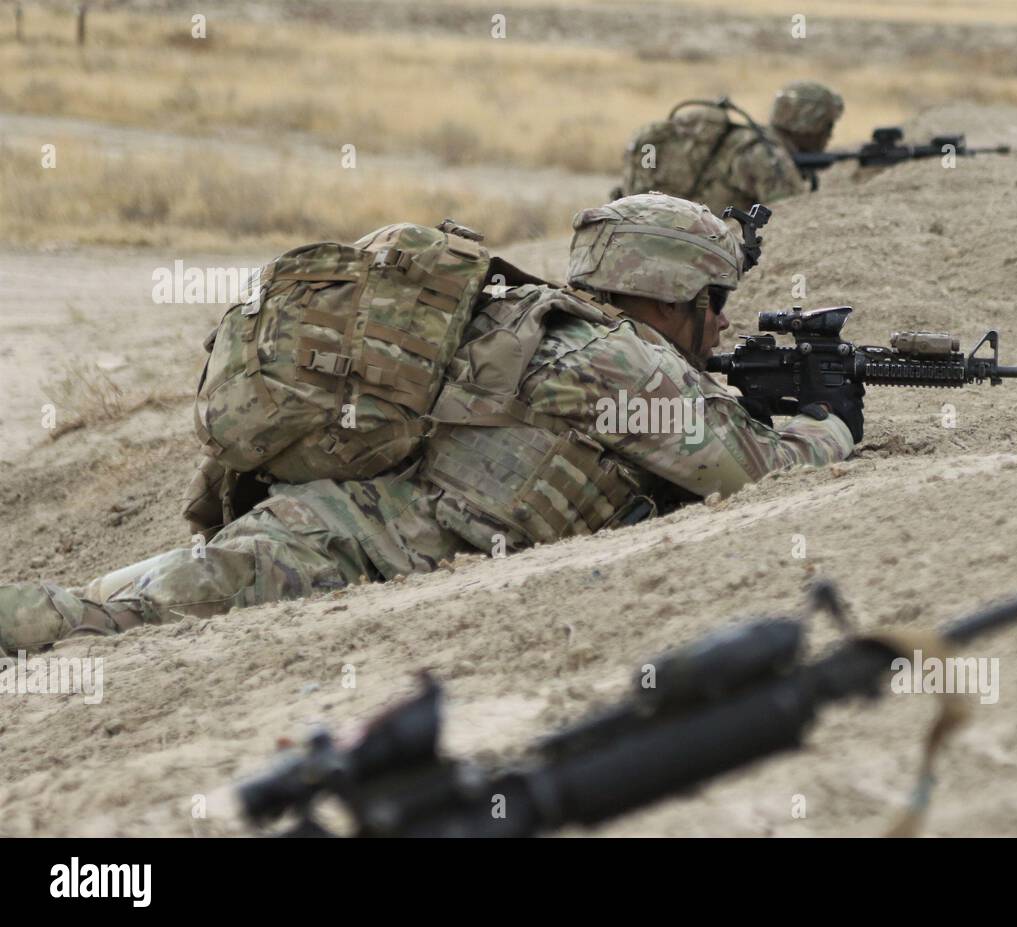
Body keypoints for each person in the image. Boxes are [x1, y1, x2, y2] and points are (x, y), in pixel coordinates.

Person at [0, 194, 863, 654]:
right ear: (674, 295)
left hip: (318, 515)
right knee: (96, 625)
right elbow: (753, 472)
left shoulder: (518, 311)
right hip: (348, 554)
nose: (720, 328)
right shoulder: (620, 361)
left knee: (109, 600)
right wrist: (833, 426)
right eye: (714, 305)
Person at [616, 81, 844, 215]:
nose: (830, 134)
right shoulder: (766, 155)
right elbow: (789, 223)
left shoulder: (740, 141)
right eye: (827, 126)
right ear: (809, 125)